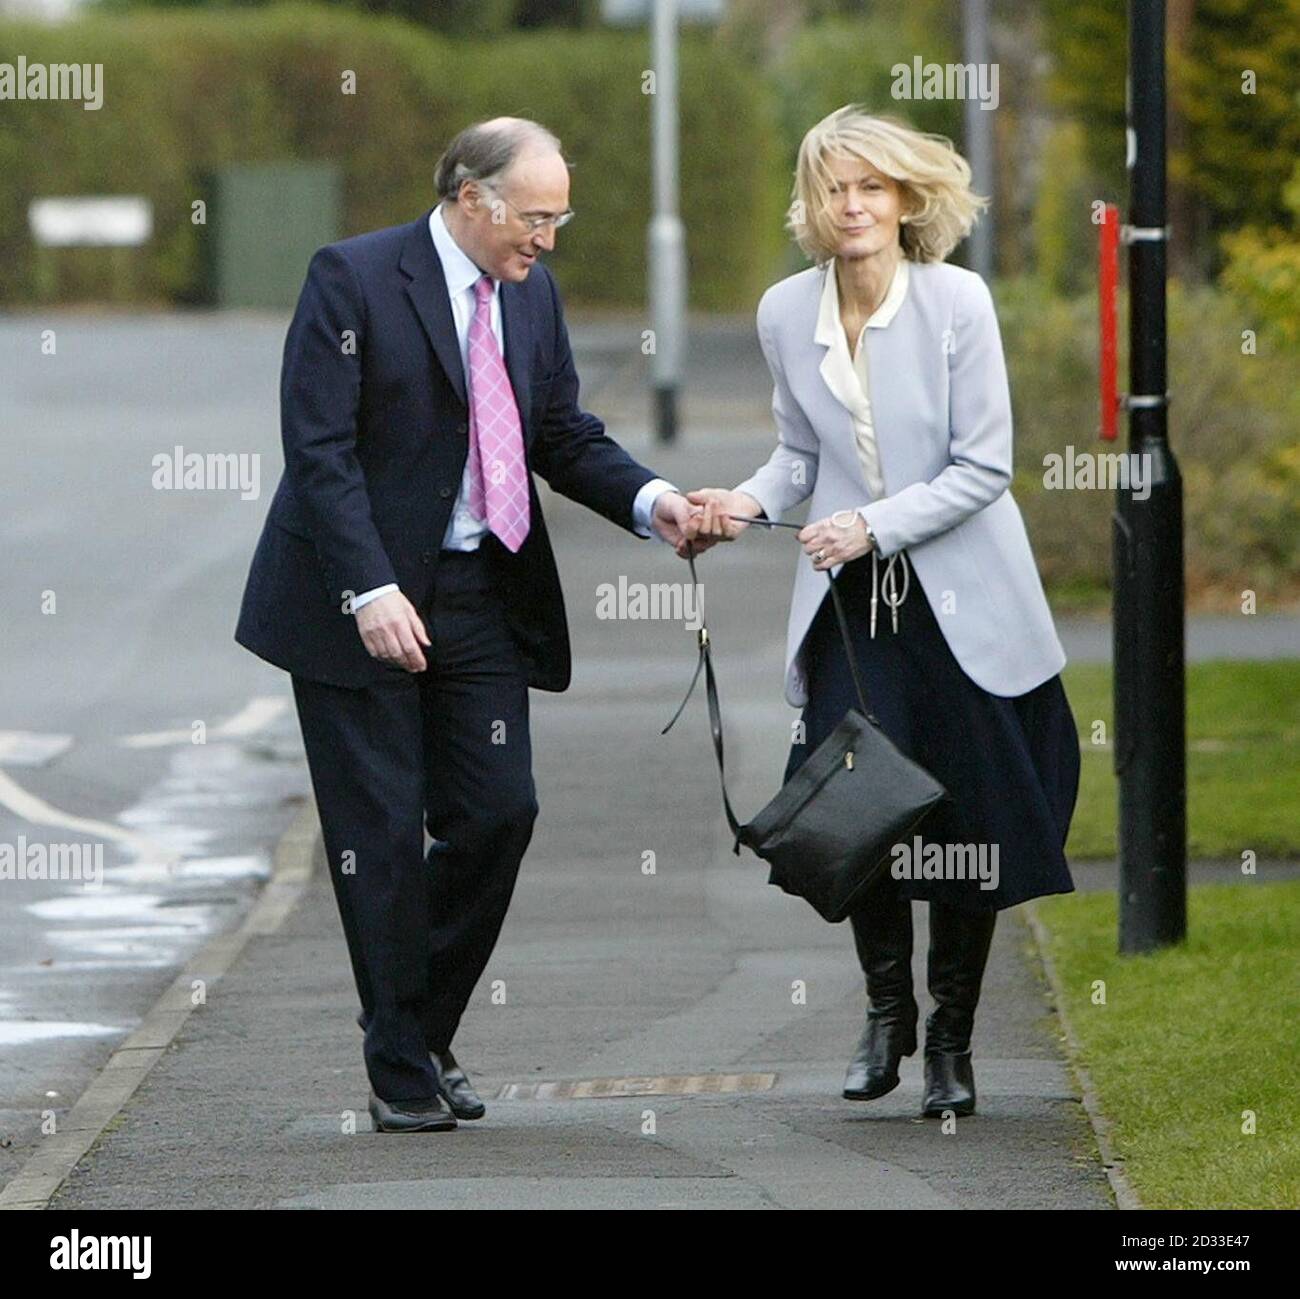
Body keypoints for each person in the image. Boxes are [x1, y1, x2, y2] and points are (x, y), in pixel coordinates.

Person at [235, 117, 704, 1132]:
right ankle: (401, 1068)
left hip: (482, 594)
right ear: (469, 198)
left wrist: (650, 499)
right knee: (380, 838)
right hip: (354, 606)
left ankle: (417, 1025)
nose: (549, 239)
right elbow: (320, 454)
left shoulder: (532, 297)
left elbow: (560, 432)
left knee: (498, 813)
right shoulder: (353, 280)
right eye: (536, 217)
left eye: (559, 217)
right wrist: (368, 589)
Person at [690, 106, 1080, 1118]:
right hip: (849, 610)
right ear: (811, 206)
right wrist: (743, 502)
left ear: (906, 199)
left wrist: (872, 524)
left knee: (963, 822)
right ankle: (884, 1011)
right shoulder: (786, 312)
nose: (851, 205)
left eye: (870, 186)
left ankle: (950, 1040)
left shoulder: (956, 302)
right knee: (850, 810)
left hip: (961, 605)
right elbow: (796, 458)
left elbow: (983, 465)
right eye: (833, 188)